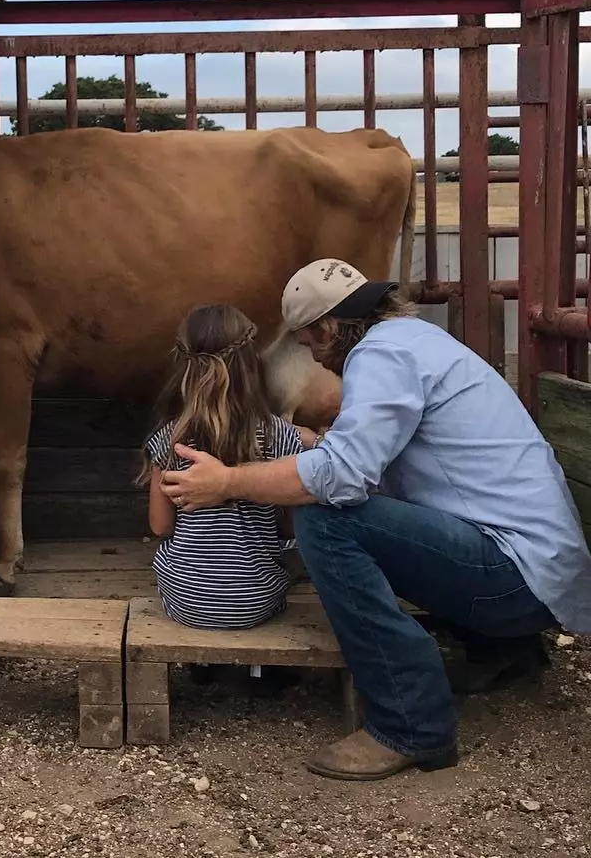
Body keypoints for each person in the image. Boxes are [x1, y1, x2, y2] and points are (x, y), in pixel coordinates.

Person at [159, 259, 591, 783]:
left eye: (306, 343)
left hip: (515, 576)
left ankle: (411, 724)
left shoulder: (381, 357)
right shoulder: (415, 341)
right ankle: (501, 650)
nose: (311, 356)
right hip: (536, 571)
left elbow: (338, 477)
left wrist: (228, 482)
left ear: (326, 328)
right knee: (374, 518)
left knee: (325, 519)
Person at [140, 303, 316, 632]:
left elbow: (160, 527)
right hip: (257, 600)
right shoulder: (280, 436)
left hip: (184, 600)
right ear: (251, 364)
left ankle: (203, 662)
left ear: (184, 367)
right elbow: (291, 526)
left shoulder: (169, 439)